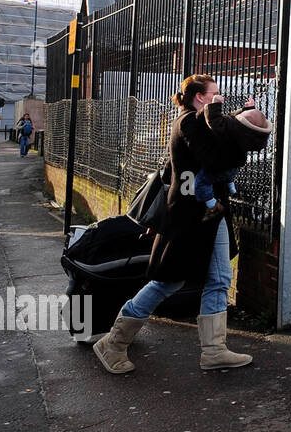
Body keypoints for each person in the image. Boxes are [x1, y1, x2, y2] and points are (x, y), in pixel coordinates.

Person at [93, 74, 253, 374]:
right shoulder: (189, 122)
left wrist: (239, 120)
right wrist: (233, 128)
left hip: (212, 214)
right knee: (169, 280)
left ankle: (214, 351)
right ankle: (113, 342)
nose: (220, 97)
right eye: (214, 94)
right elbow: (215, 158)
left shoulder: (202, 123)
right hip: (188, 217)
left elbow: (181, 165)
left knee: (219, 278)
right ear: (199, 97)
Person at [186, 97, 274, 223]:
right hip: (233, 166)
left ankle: (211, 204)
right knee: (228, 174)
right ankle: (231, 186)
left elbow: (214, 121)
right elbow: (238, 120)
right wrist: (247, 109)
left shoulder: (232, 128)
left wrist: (214, 104)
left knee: (201, 182)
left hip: (218, 166)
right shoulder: (253, 135)